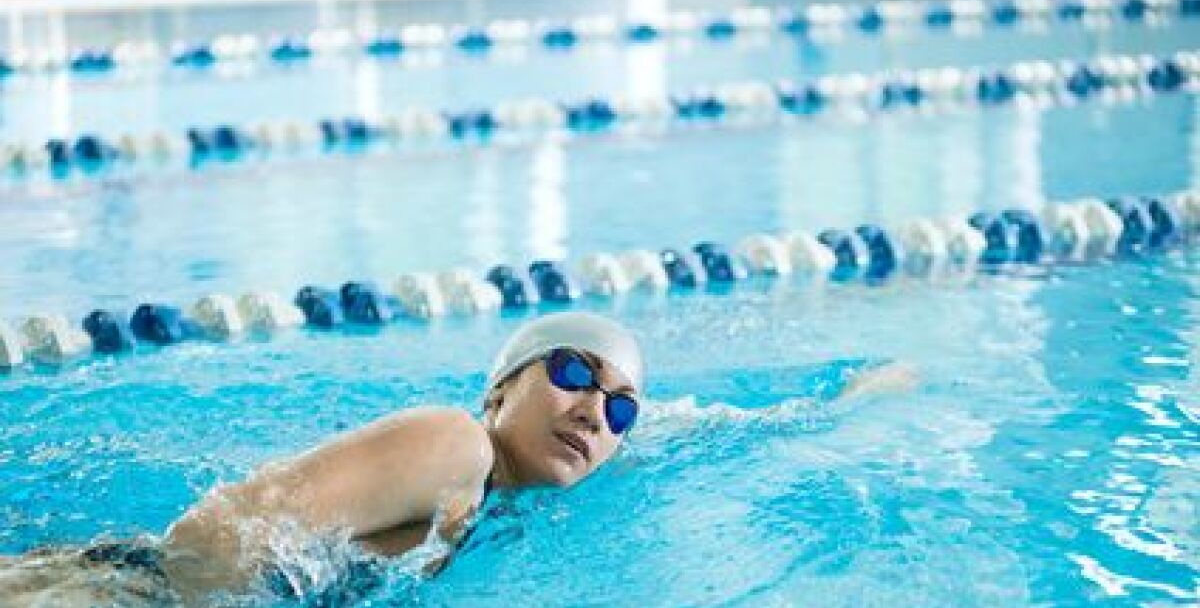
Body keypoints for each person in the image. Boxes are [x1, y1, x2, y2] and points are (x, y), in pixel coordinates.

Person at [0, 311, 916, 606]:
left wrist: (839, 406)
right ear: (499, 392)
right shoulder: (454, 442)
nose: (597, 409)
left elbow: (696, 430)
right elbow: (209, 539)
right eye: (572, 373)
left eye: (620, 406)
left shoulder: (513, 484)